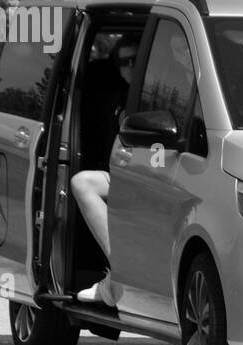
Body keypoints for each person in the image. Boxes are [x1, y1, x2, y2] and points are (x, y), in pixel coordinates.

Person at [72, 34, 139, 305]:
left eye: (137, 59)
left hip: (155, 179)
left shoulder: (159, 91)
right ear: (117, 66)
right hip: (127, 176)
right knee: (81, 182)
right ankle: (122, 270)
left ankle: (120, 275)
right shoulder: (119, 98)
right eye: (125, 61)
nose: (131, 66)